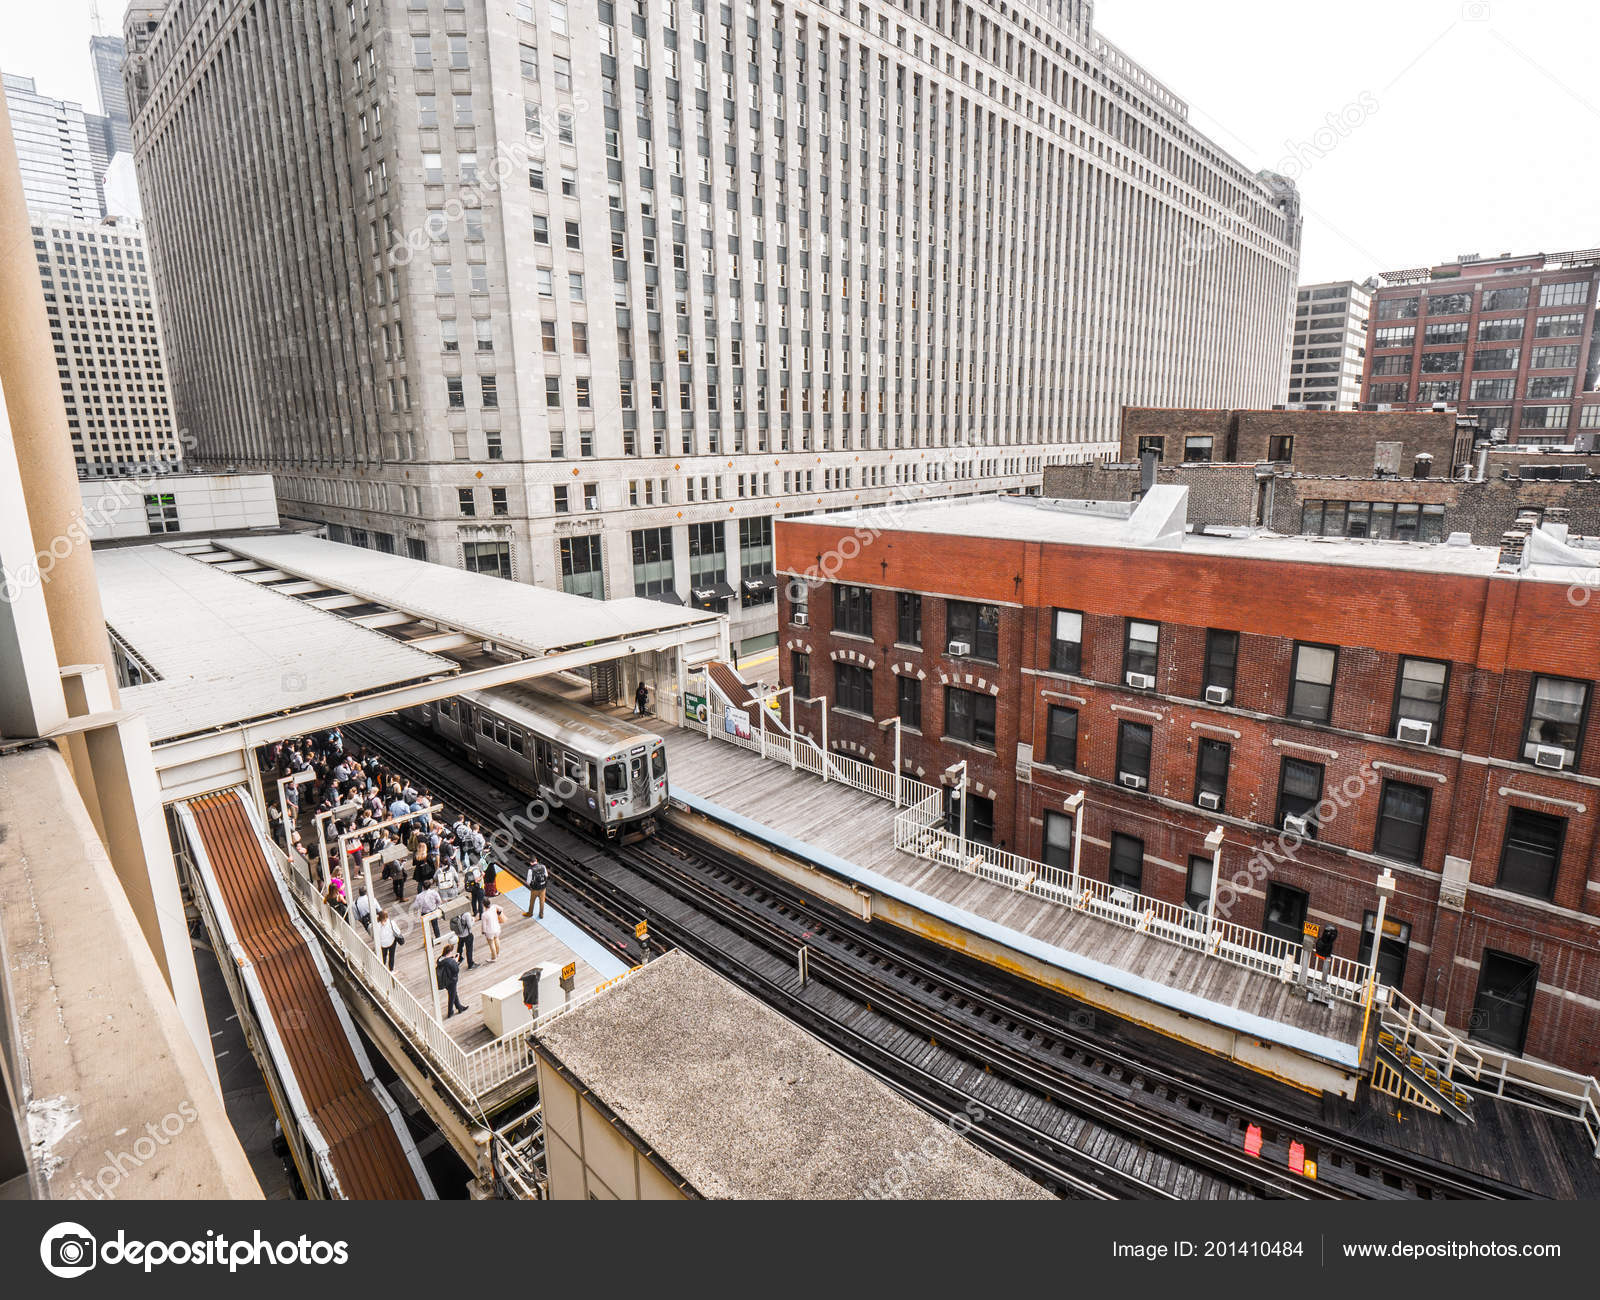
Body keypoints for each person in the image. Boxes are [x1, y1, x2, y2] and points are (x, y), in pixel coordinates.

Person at [436, 943, 466, 1018]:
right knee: (452, 996)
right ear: (449, 952)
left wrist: (452, 959)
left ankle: (460, 1007)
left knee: (453, 993)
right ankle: (450, 1012)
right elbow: (456, 970)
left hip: (445, 980)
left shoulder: (440, 959)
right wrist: (455, 961)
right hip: (451, 980)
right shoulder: (451, 961)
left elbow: (445, 963)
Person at [523, 854, 548, 919]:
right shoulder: (543, 866)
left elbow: (528, 881)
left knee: (532, 901)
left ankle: (530, 913)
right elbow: (546, 875)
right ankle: (541, 914)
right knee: (542, 901)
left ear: (530, 862)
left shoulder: (531, 870)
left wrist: (531, 885)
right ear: (536, 860)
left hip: (535, 889)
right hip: (543, 887)